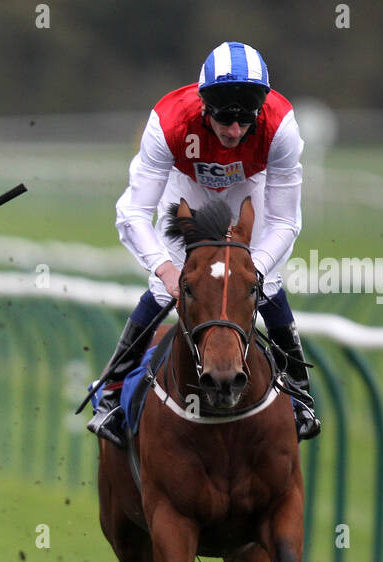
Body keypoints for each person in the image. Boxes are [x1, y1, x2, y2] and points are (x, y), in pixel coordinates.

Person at [88, 41, 321, 445]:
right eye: (225, 119)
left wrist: (255, 269)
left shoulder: (281, 126)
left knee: (265, 284)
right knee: (165, 290)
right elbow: (133, 213)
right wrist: (167, 271)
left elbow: (285, 220)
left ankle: (300, 392)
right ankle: (110, 392)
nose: (235, 131)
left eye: (245, 120)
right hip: (187, 187)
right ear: (203, 106)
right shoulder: (168, 120)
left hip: (250, 185)